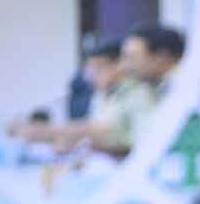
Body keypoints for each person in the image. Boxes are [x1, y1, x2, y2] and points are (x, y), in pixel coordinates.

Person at [11, 41, 156, 158]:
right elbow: (95, 130)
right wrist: (76, 143)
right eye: (89, 70)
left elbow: (143, 146)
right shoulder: (101, 95)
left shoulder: (140, 94)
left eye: (97, 69)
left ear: (118, 66)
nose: (90, 76)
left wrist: (54, 132)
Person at [121, 24, 186, 100]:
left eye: (132, 58)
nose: (124, 67)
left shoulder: (188, 89)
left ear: (161, 57)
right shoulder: (159, 88)